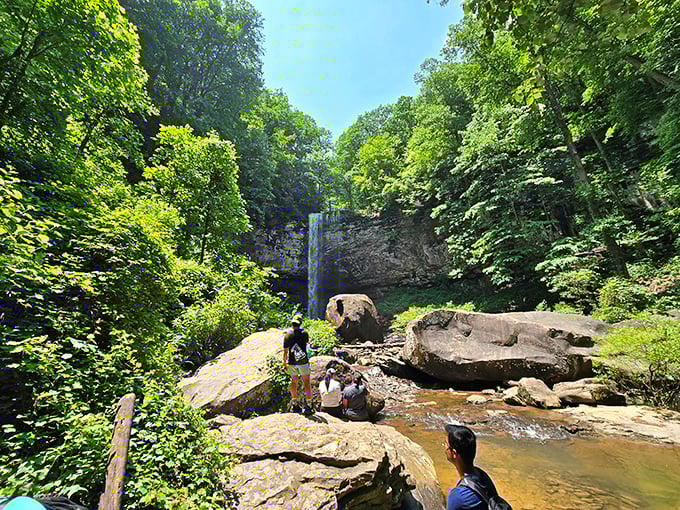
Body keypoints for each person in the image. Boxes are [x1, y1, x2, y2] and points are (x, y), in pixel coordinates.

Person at [444, 424, 507, 510]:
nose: (444, 447)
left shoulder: (458, 497)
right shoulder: (482, 475)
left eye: (446, 445)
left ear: (454, 453)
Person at [283, 315, 313, 415]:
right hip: (303, 361)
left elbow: (285, 352)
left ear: (292, 324)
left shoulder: (288, 335)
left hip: (292, 362)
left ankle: (295, 404)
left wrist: (284, 364)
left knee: (294, 382)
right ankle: (308, 405)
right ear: (300, 324)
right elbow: (307, 344)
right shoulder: (304, 333)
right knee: (306, 382)